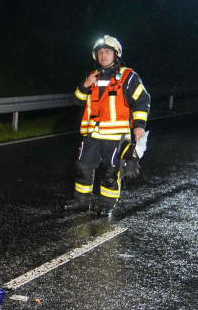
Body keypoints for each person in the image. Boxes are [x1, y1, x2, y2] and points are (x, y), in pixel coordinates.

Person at [62, 35, 149, 216]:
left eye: (107, 51)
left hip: (115, 137)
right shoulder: (92, 77)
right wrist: (84, 85)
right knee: (83, 167)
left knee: (111, 172)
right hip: (92, 135)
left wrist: (139, 125)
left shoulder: (128, 76)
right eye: (100, 52)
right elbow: (76, 101)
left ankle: (106, 205)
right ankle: (81, 201)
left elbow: (142, 99)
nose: (103, 55)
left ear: (116, 54)